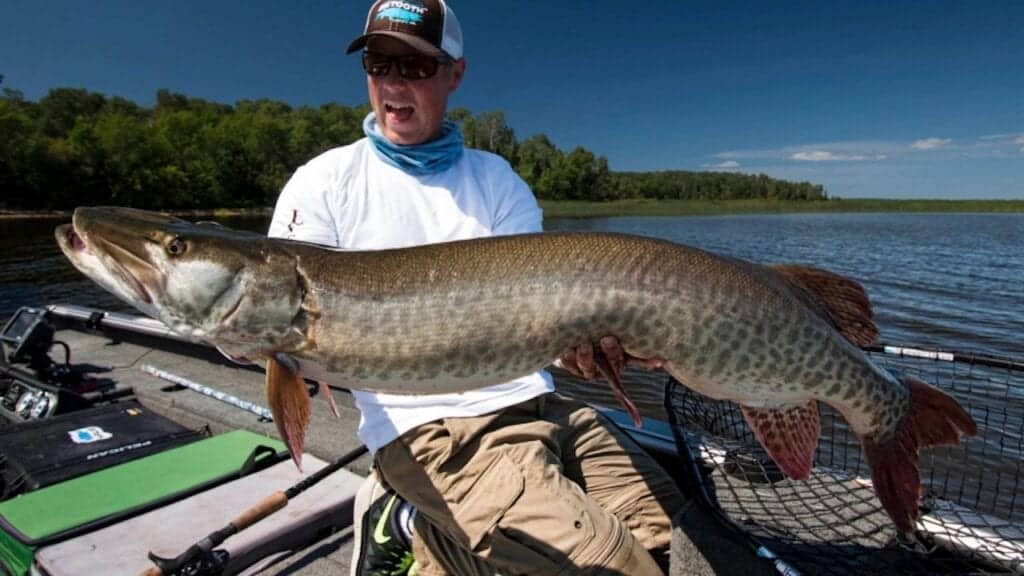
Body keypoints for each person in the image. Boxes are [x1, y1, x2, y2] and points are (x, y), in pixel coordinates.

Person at [268, 1, 684, 574]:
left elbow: (544, 325)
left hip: (541, 405)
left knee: (680, 547)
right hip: (430, 430)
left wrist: (589, 347)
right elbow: (260, 326)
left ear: (454, 74)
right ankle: (423, 519)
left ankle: (431, 535)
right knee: (616, 566)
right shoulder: (322, 183)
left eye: (415, 66)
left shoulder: (497, 180)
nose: (393, 81)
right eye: (378, 61)